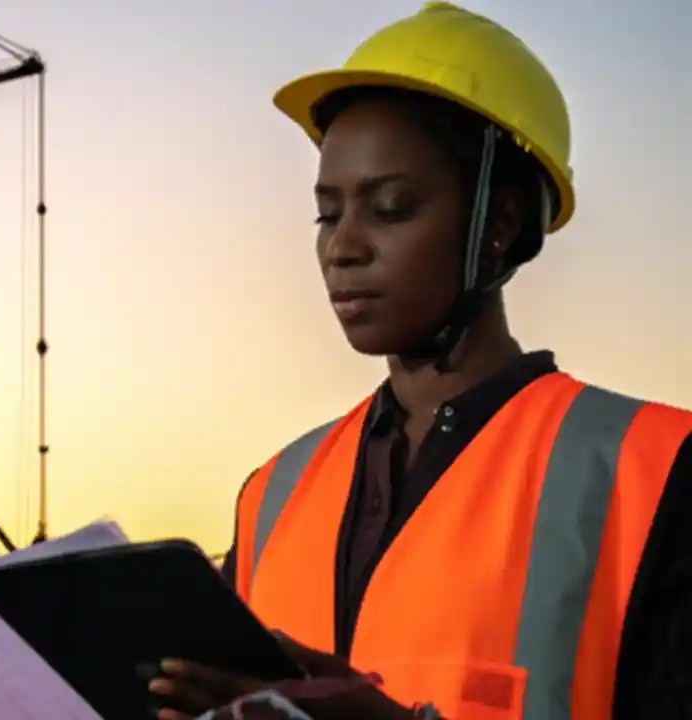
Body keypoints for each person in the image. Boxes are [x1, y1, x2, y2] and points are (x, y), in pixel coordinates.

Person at [145, 3, 692, 719]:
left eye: (391, 207)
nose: (342, 246)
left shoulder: (656, 469)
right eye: (327, 212)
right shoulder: (272, 494)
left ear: (497, 223)